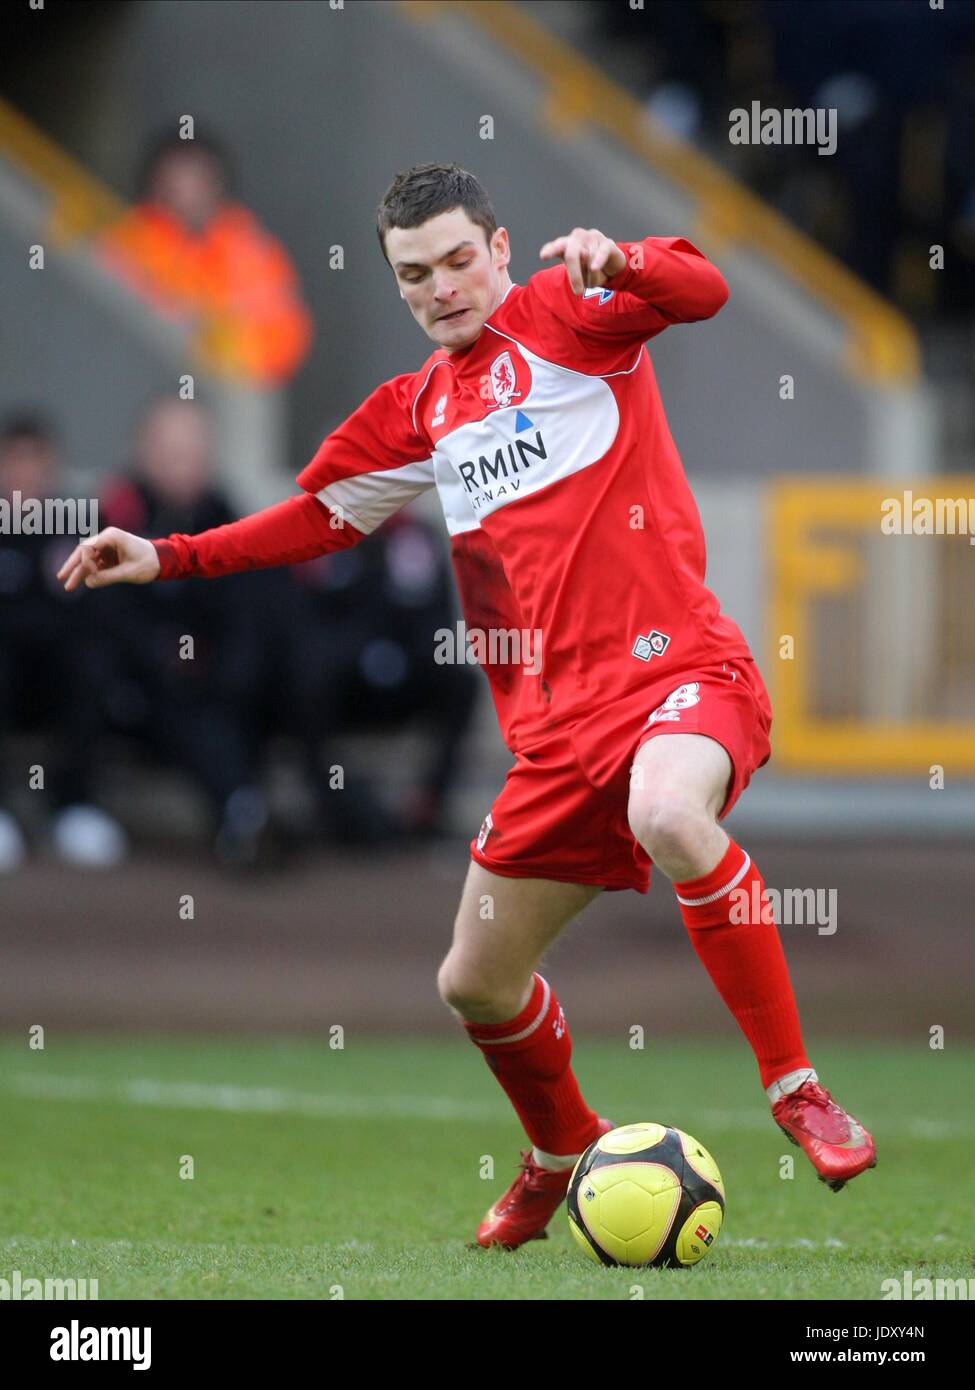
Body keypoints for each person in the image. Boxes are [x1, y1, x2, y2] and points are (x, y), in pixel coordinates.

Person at [58, 162, 876, 1248]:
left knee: (672, 814)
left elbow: (705, 288)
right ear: (397, 285)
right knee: (476, 982)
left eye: (457, 259)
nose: (442, 286)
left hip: (680, 674)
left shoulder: (572, 314)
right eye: (414, 274)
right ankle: (560, 1152)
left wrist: (621, 257)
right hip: (554, 741)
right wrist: (165, 554)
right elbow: (313, 519)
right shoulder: (416, 412)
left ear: (499, 248)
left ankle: (796, 1089)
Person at [0, 414, 127, 869]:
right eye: (14, 461)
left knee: (91, 662)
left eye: (35, 461)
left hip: (58, 676)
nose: (24, 474)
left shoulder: (77, 528)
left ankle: (74, 805)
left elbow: (96, 609)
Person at [98, 131, 312, 385]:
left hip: (228, 391)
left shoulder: (251, 250)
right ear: (155, 186)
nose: (184, 194)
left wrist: (228, 345)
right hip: (140, 378)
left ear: (217, 185)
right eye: (173, 183)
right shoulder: (129, 242)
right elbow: (110, 312)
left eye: (195, 181)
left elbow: (288, 334)